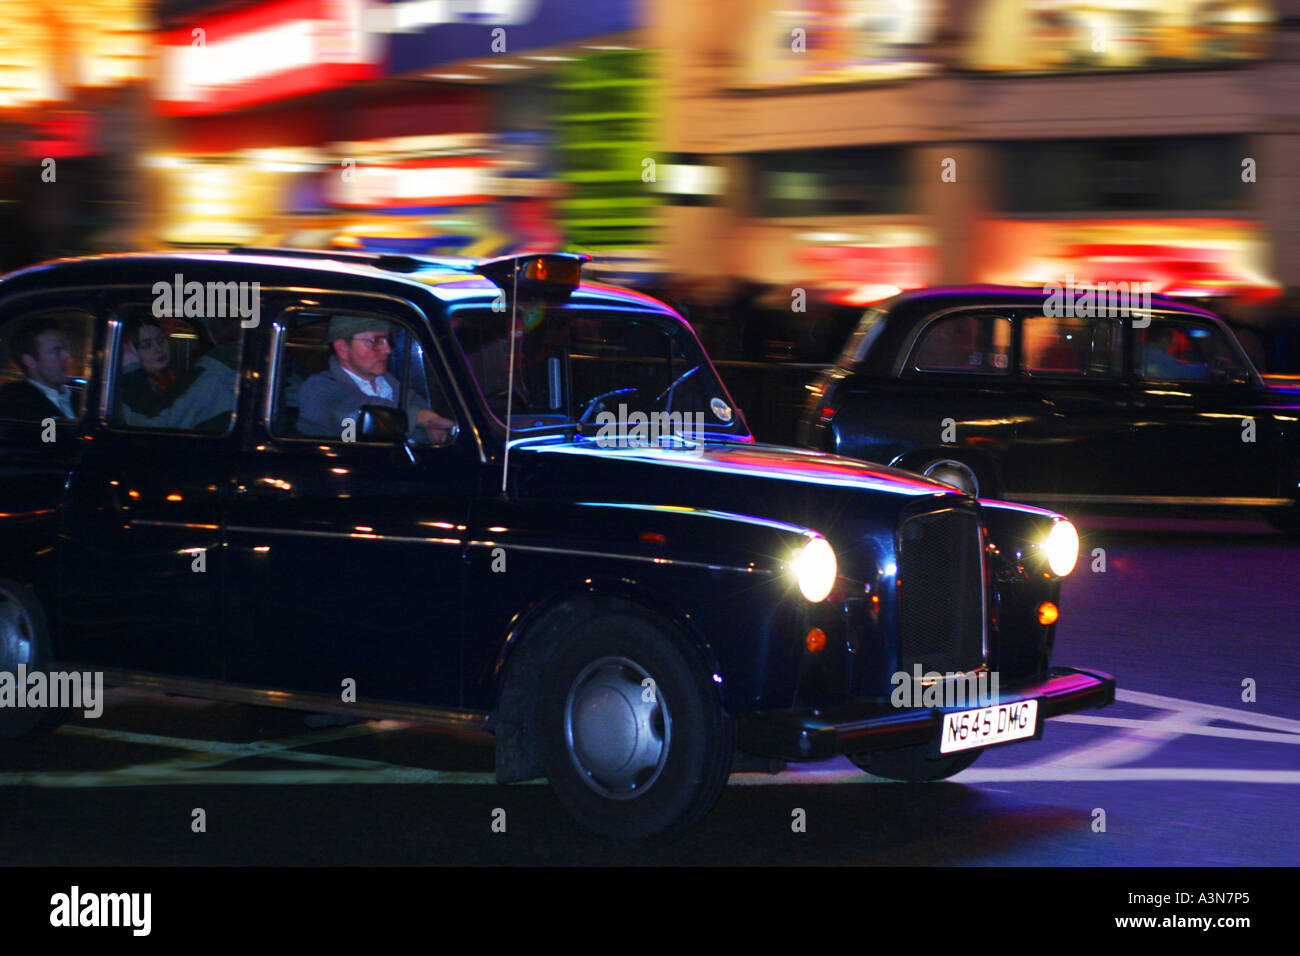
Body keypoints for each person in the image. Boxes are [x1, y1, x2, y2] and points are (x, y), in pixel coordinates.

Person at [297, 315, 454, 443]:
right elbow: (354, 413)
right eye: (376, 341)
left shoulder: (399, 389)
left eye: (387, 340)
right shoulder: (317, 391)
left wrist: (437, 433)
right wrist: (419, 418)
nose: (387, 350)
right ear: (342, 348)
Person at [117, 313, 238, 431]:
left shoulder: (170, 379)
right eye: (146, 345)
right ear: (129, 354)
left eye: (161, 339)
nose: (158, 348)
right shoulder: (126, 394)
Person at [0, 317, 79, 421]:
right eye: (56, 351)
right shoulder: (15, 405)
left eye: (67, 349)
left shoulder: (84, 400)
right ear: (30, 361)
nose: (67, 356)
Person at [1141, 325, 1210, 381]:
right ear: (1163, 339)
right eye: (1173, 342)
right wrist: (1205, 368)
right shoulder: (1158, 356)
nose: (1174, 344)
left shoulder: (1145, 350)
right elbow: (1182, 372)